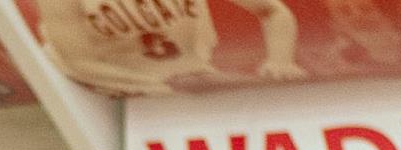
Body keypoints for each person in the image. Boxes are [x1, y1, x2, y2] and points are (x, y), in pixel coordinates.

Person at [30, 0, 303, 96]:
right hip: (111, 94)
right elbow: (80, 64)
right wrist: (161, 87)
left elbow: (273, 11)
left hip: (199, 80)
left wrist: (280, 60)